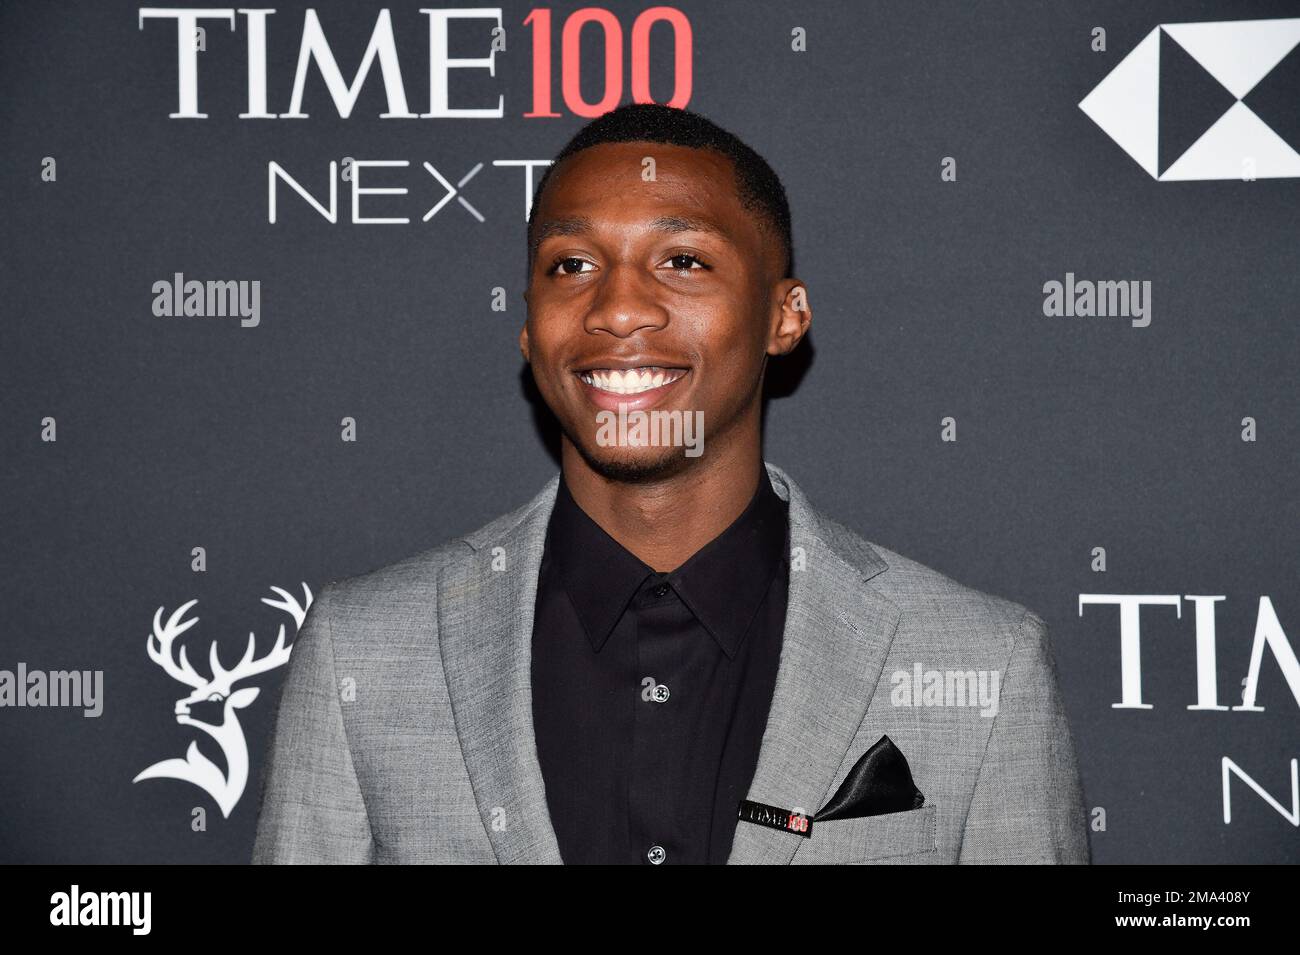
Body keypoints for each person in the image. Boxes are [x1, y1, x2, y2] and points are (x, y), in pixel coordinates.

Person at [251, 102, 1090, 864]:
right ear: (526, 326)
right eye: (572, 264)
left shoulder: (983, 664)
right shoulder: (362, 647)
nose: (618, 307)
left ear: (783, 315)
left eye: (683, 259)